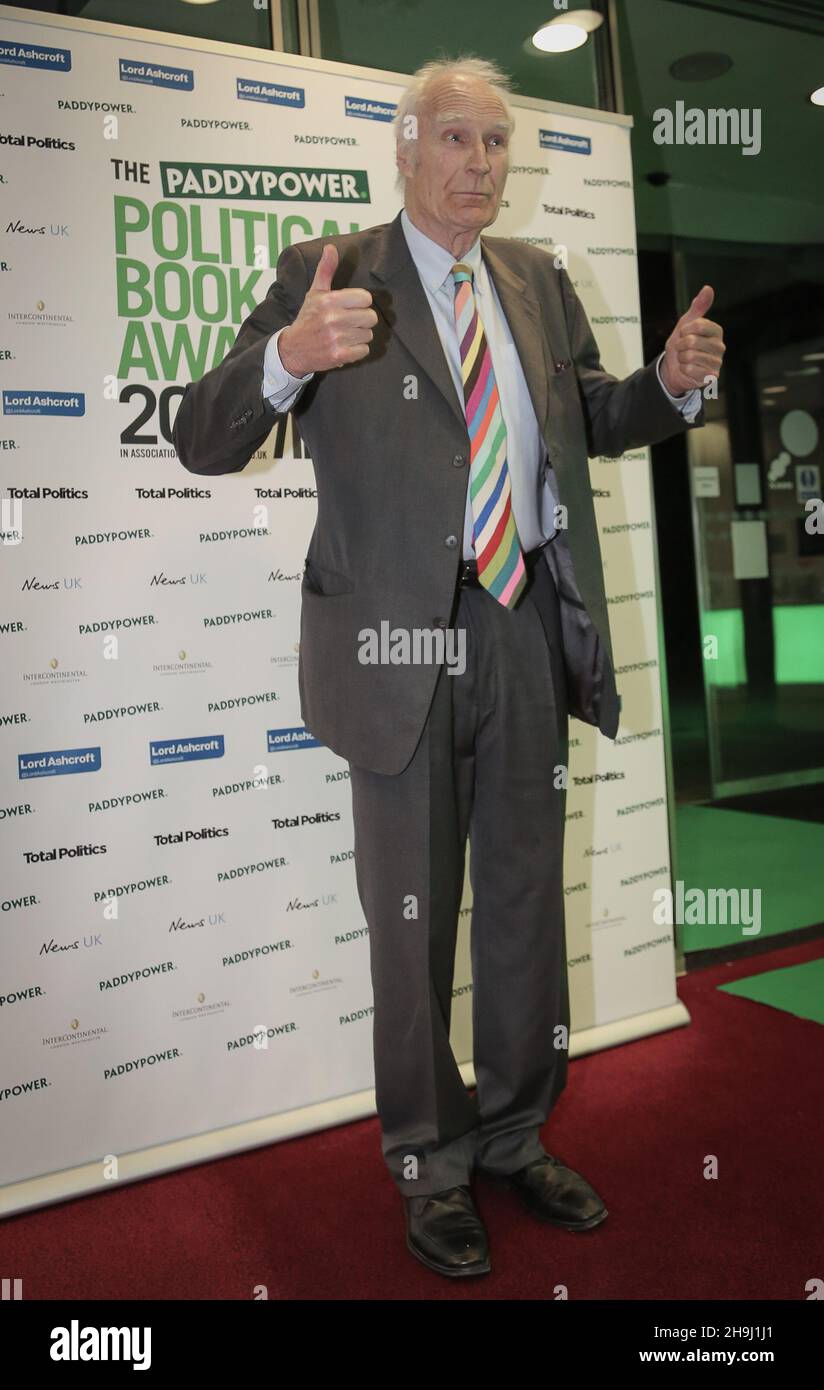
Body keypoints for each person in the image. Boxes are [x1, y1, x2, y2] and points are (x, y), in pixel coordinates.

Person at [173, 54, 725, 1279]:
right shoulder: (329, 276)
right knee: (410, 928)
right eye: (459, 140)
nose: (481, 165)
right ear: (407, 147)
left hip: (522, 626)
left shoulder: (534, 277)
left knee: (527, 910)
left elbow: (589, 413)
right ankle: (428, 1161)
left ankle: (517, 1136)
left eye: (496, 144)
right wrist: (290, 358)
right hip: (396, 645)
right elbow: (203, 438)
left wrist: (665, 391)